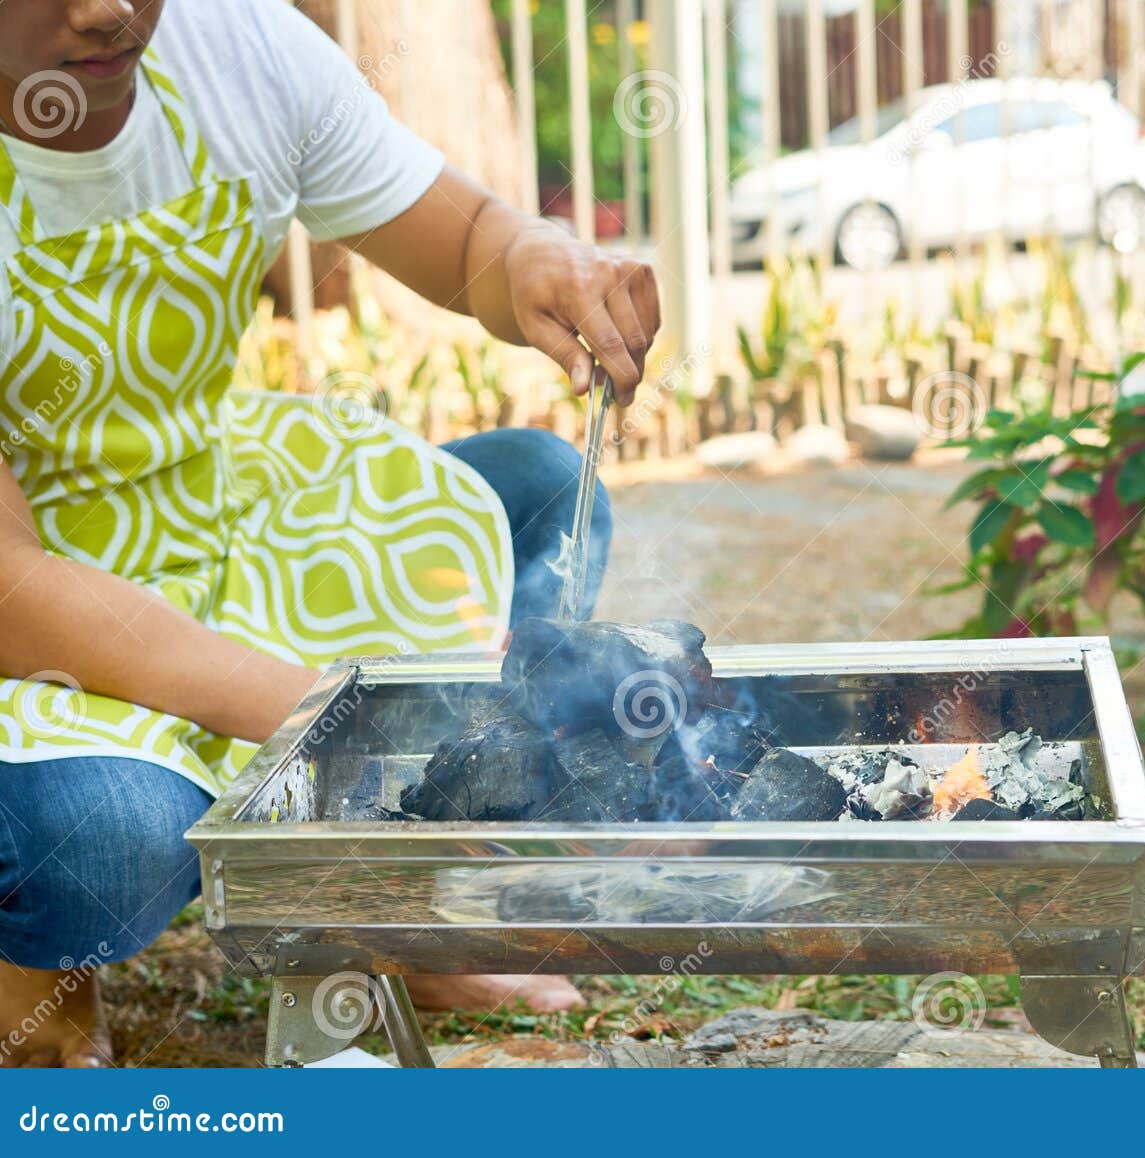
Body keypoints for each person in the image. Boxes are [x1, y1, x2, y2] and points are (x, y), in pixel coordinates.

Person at [0, 0, 658, 1066]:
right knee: (103, 846)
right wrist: (339, 724)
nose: (107, 10)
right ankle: (32, 969)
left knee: (533, 494)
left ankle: (376, 915)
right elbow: (12, 591)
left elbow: (471, 242)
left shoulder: (239, 50)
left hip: (204, 521)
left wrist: (539, 261)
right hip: (33, 625)